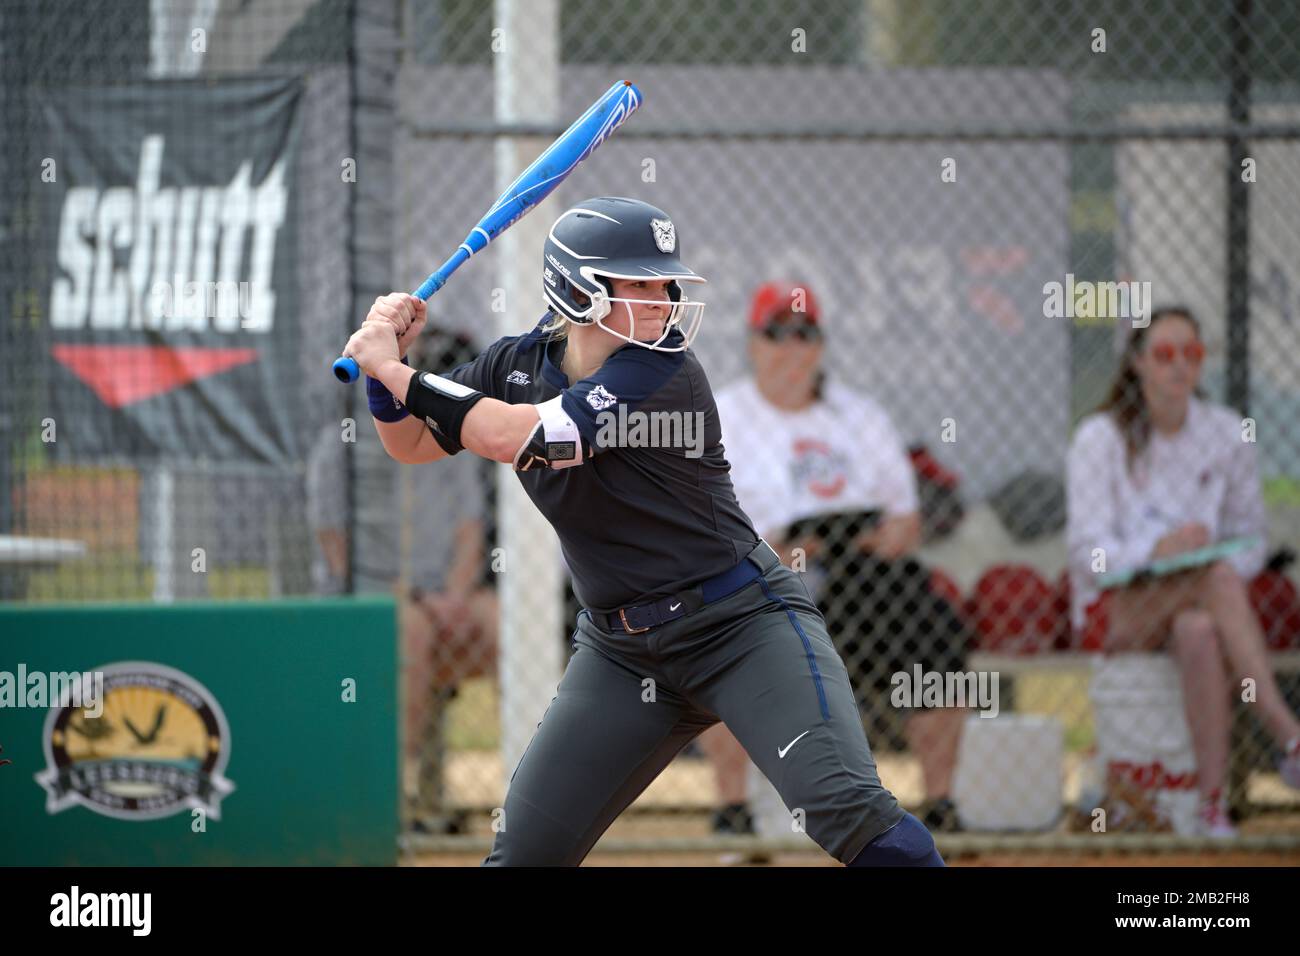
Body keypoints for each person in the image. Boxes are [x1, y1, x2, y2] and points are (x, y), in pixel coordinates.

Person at [340, 197, 943, 866]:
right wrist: (382, 381)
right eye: (640, 282)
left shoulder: (663, 374)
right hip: (622, 653)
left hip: (739, 626)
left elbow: (518, 436)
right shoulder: (513, 365)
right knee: (524, 856)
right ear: (577, 288)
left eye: (665, 282)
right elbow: (414, 445)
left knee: (850, 814)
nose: (663, 299)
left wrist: (399, 370)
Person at [704, 281, 970, 836]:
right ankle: (731, 809)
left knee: (938, 631)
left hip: (860, 577)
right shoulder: (723, 415)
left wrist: (887, 536)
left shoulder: (860, 415)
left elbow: (906, 519)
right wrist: (775, 548)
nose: (791, 348)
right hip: (762, 577)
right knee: (715, 627)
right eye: (777, 334)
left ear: (820, 344)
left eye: (804, 334)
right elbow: (701, 525)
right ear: (753, 343)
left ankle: (940, 803)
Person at [1066, 306, 1300, 836]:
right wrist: (1157, 553)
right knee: (1212, 578)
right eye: (1164, 355)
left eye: (1191, 354)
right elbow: (1087, 552)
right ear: (1138, 364)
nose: (1179, 367)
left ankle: (1210, 808)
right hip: (1117, 612)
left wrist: (1200, 566)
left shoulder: (1226, 433)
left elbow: (1252, 540)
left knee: (1199, 629)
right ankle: (1288, 735)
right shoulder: (1099, 438)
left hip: (1199, 604)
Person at [307, 326, 498, 833]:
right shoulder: (341, 444)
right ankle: (397, 806)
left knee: (502, 621)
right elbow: (336, 549)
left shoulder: (451, 438)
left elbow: (469, 534)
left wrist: (455, 599)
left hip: (440, 599)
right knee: (411, 631)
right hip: (369, 599)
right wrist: (417, 601)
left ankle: (526, 800)